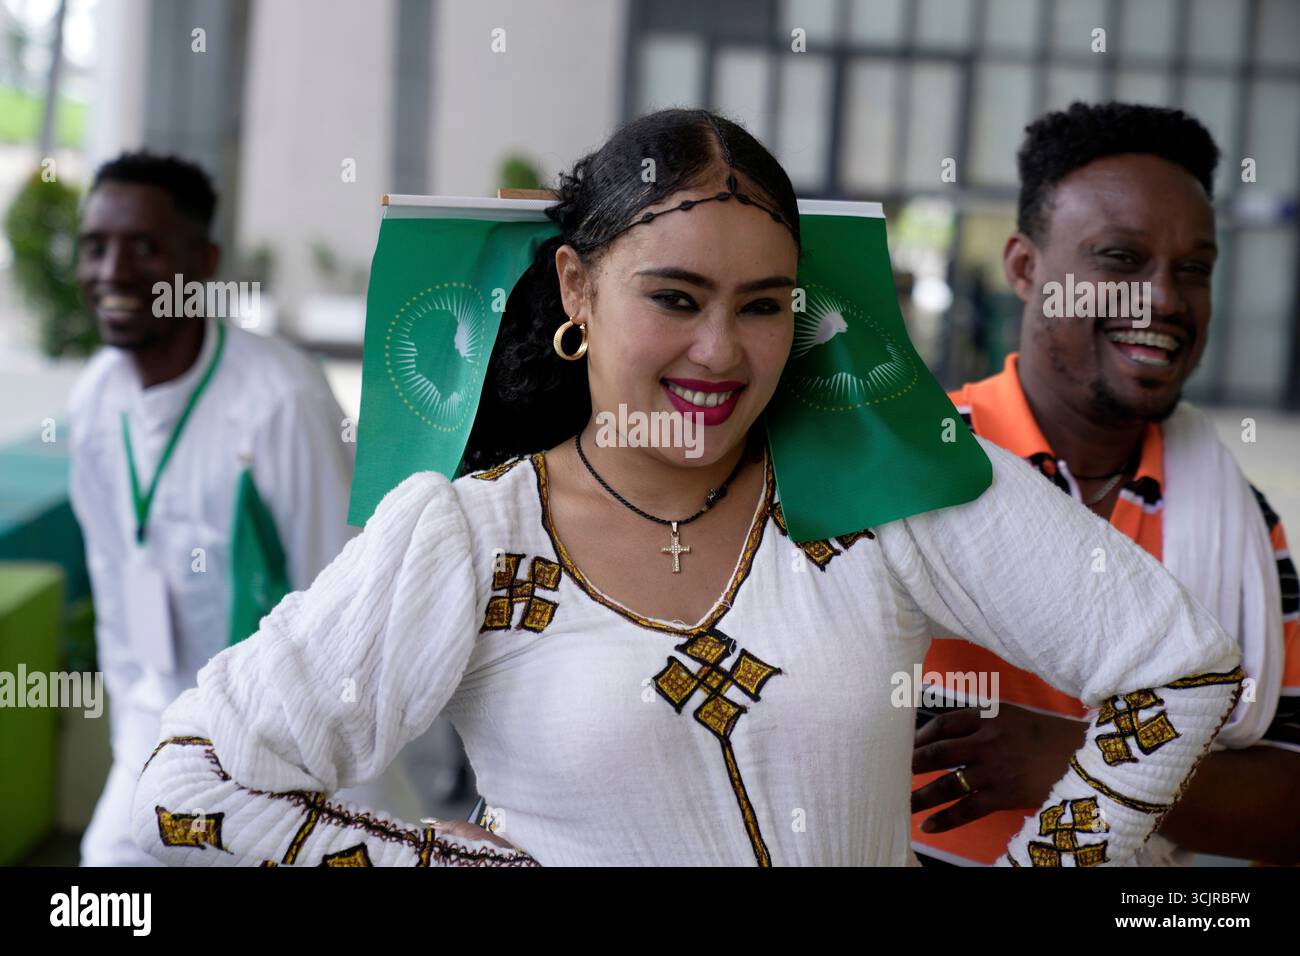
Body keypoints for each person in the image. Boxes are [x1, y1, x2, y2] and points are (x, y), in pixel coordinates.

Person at [131, 110, 1242, 867]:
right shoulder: (469, 534)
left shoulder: (884, 491)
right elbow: (187, 784)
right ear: (576, 284)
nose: (720, 351)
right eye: (675, 296)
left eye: (763, 305)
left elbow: (1177, 667)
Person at [911, 102, 1299, 867]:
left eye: (1194, 269)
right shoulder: (916, 466)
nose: (1163, 298)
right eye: (1120, 259)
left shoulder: (1241, 523)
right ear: (1025, 269)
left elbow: (1288, 803)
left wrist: (1073, 757)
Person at [69, 152, 421, 865]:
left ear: (202, 262)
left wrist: (312, 790)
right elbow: (116, 606)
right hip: (158, 733)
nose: (113, 271)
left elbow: (342, 607)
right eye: (96, 247)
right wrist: (141, 751)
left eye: (144, 246)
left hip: (291, 747)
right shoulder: (94, 401)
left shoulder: (279, 401)